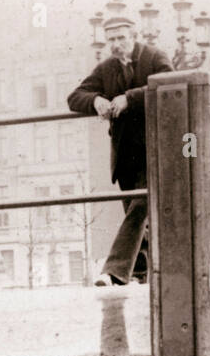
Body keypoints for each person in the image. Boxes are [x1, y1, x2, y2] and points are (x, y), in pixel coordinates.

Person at [67, 16, 173, 286]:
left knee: (139, 207)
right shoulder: (106, 68)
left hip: (156, 149)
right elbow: (74, 98)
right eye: (111, 39)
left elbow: (169, 87)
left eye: (121, 38)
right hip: (126, 156)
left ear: (134, 36)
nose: (116, 44)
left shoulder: (155, 57)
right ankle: (140, 275)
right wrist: (96, 100)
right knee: (136, 215)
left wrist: (131, 98)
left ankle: (114, 271)